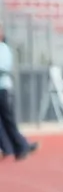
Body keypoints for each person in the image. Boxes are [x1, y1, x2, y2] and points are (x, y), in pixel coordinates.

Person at [0, 22, 39, 161]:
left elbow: (4, 67)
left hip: (3, 89)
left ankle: (22, 146)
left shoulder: (3, 48)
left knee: (8, 120)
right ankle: (7, 148)